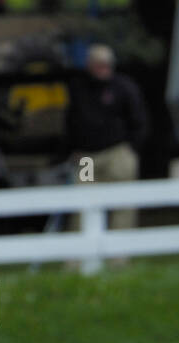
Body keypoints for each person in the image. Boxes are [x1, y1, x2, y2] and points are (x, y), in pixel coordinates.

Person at [65, 44, 148, 235]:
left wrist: (131, 149)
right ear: (89, 65)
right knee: (82, 204)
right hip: (87, 157)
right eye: (98, 64)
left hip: (117, 153)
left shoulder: (124, 87)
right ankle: (78, 258)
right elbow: (72, 122)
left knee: (123, 204)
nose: (102, 69)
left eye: (106, 64)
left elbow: (139, 121)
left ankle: (119, 258)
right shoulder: (79, 88)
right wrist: (72, 149)